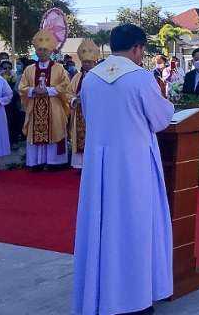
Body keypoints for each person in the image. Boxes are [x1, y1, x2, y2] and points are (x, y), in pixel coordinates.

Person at [73, 24, 175, 315]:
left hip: (99, 167)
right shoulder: (140, 77)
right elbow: (160, 119)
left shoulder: (91, 78)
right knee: (134, 227)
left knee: (102, 227)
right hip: (133, 167)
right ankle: (134, 299)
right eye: (142, 50)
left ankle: (100, 295)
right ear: (137, 48)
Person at [18, 30, 71, 171]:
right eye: (40, 50)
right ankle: (36, 162)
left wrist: (47, 90)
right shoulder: (29, 69)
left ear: (51, 51)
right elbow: (21, 87)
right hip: (35, 107)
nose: (42, 52)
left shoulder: (59, 68)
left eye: (45, 50)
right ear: (36, 51)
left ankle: (53, 162)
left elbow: (66, 85)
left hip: (53, 108)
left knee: (55, 130)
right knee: (36, 132)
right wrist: (33, 90)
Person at [68, 39, 101, 170]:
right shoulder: (77, 77)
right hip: (79, 113)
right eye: (84, 62)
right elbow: (68, 92)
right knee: (79, 137)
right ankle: (80, 165)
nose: (86, 64)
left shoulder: (100, 78)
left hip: (94, 114)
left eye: (89, 62)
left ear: (95, 62)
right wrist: (74, 100)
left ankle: (92, 164)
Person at [0, 60, 22, 146]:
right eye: (5, 68)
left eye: (9, 68)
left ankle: (14, 142)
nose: (7, 70)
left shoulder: (15, 77)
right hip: (1, 106)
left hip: (13, 104)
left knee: (14, 122)